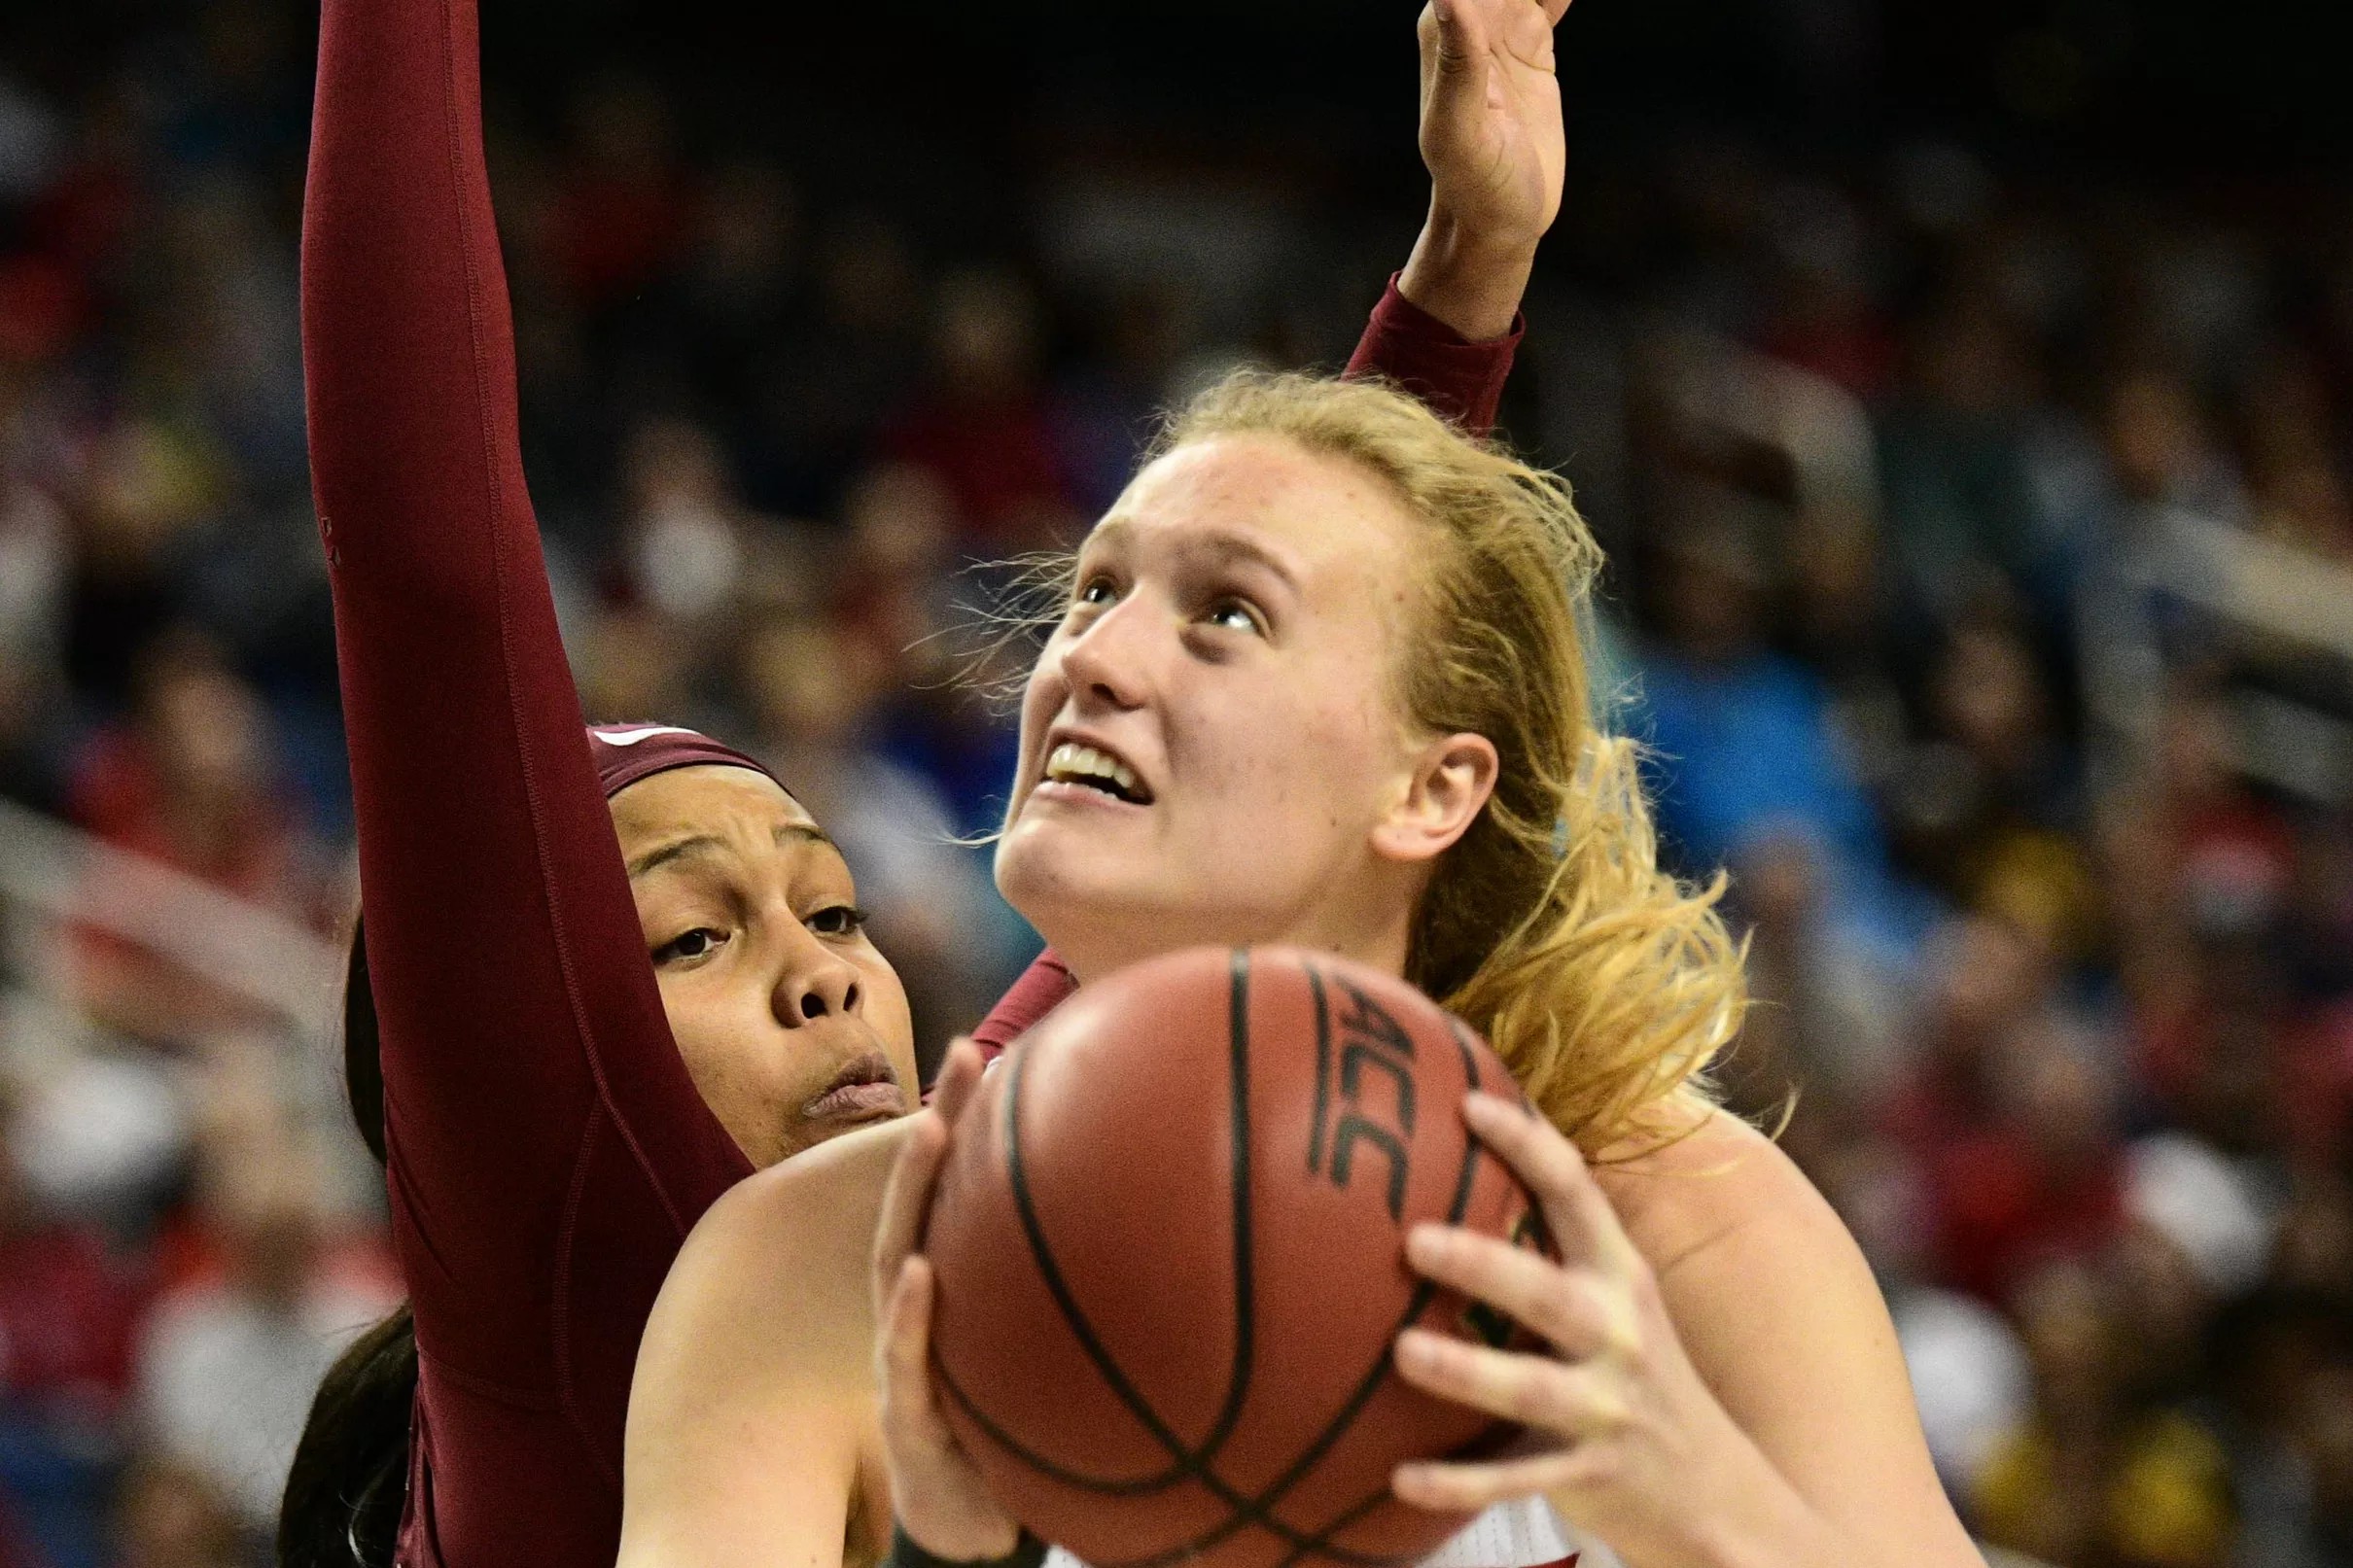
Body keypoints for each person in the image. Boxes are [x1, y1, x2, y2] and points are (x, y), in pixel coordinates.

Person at [624, 12, 1986, 1568]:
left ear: (1433, 788)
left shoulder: (1663, 1217)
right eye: (1095, 589)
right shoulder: (822, 1256)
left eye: (1224, 615)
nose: (1095, 656)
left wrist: (1703, 1514)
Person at [283, 0, 1534, 1564]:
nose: (826, 979)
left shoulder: (925, 1221)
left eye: (833, 912)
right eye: (693, 936)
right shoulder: (587, 1246)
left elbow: (1271, 744)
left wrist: (1470, 266)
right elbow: (426, 558)